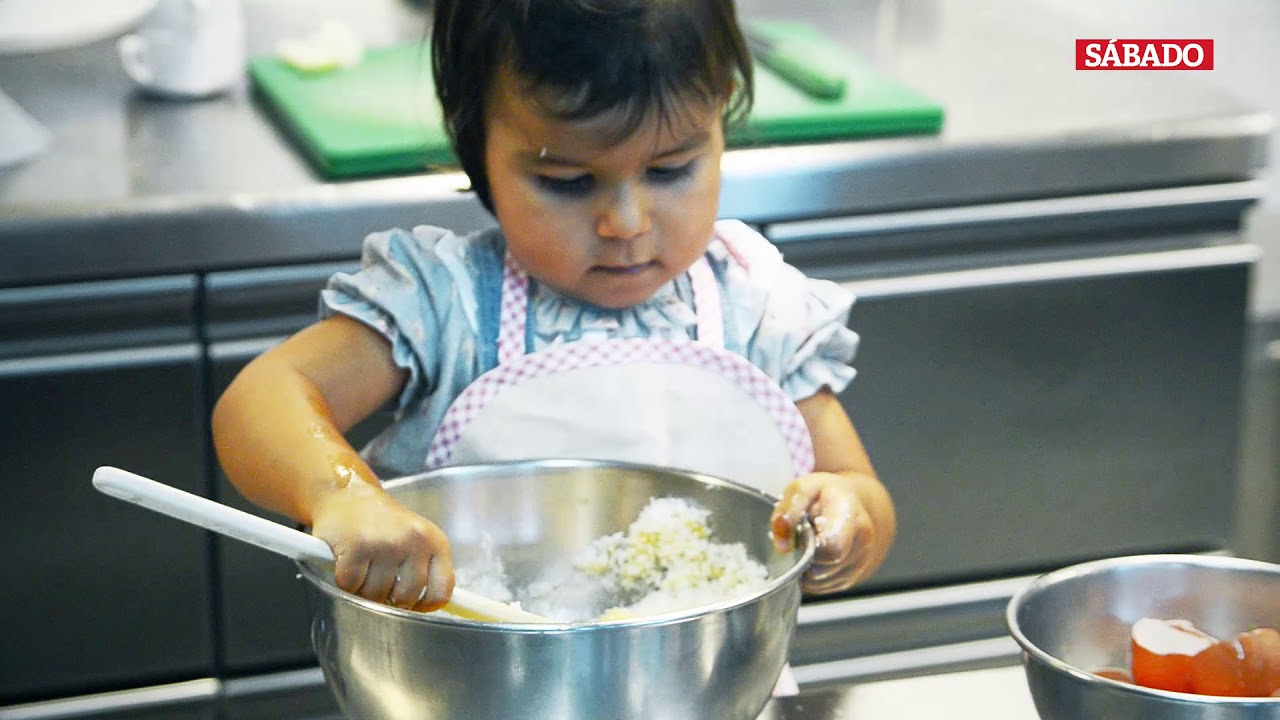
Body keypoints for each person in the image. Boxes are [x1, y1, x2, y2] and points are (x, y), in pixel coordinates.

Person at [212, 0, 896, 614]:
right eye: (567, 181)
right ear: (477, 149)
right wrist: (341, 494)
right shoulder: (445, 305)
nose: (625, 223)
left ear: (721, 124)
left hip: (711, 684)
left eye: (670, 170)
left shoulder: (758, 308)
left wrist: (847, 521)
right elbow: (263, 397)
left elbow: (858, 488)